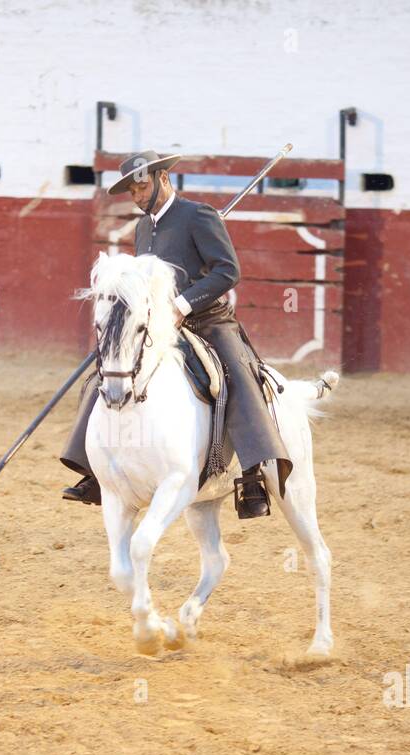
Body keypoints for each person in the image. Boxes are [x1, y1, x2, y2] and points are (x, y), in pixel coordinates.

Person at [60, 149, 293, 519]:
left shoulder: (199, 215)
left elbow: (227, 271)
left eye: (140, 187)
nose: (136, 197)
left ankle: (251, 476)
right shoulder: (141, 228)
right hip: (159, 327)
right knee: (105, 372)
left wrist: (181, 305)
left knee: (238, 374)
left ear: (162, 179)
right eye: (131, 192)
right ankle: (94, 471)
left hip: (209, 321)